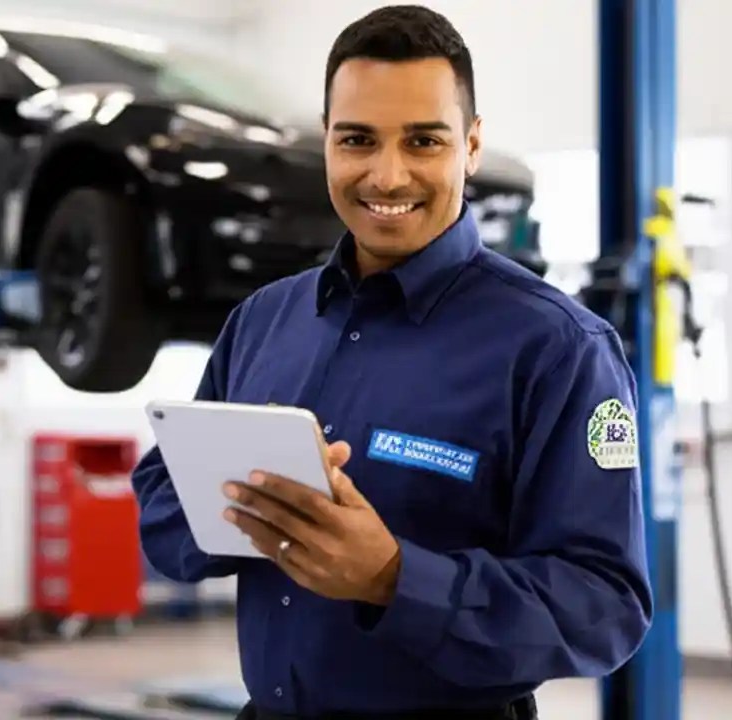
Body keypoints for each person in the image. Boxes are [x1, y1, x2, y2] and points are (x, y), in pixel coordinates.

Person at [130, 5, 653, 719]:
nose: (387, 174)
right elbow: (160, 510)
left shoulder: (557, 350)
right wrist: (249, 506)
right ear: (327, 144)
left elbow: (604, 607)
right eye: (357, 140)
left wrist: (394, 578)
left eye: (423, 141)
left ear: (470, 146)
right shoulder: (263, 321)